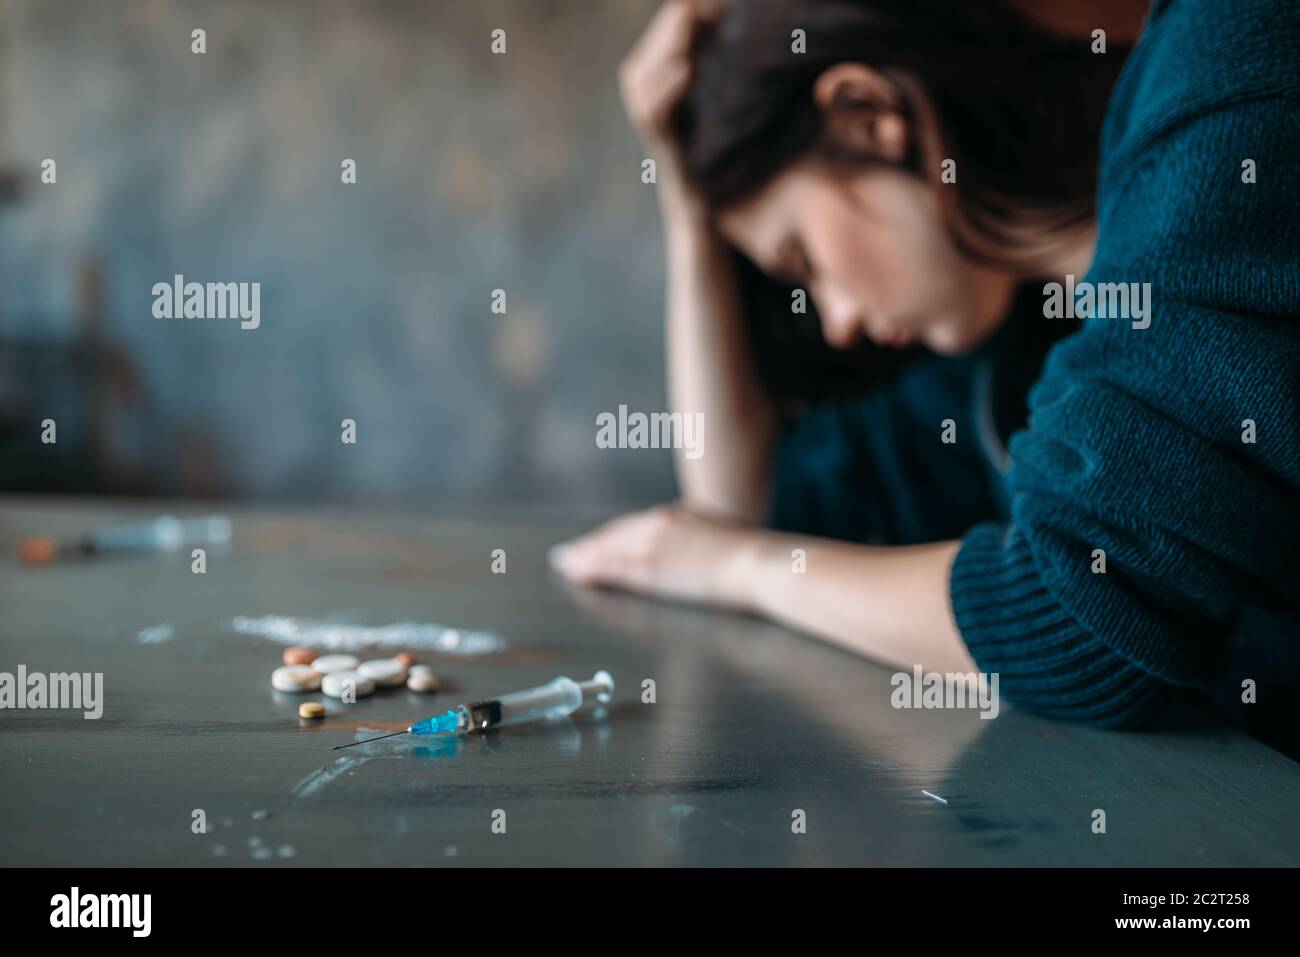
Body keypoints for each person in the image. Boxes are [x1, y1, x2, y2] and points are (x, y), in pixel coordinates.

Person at [550, 0, 1300, 751]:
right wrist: (687, 209)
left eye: (802, 260)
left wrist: (745, 571)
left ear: (864, 116)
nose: (837, 321)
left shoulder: (1229, 57)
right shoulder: (1021, 352)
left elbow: (1086, 623)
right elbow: (751, 504)